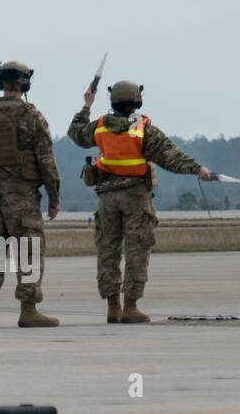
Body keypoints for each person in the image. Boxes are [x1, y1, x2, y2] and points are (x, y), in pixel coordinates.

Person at [67, 79, 210, 323]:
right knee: (137, 250)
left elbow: (75, 132)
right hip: (136, 198)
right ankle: (130, 307)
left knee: (107, 251)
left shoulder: (100, 126)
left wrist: (87, 105)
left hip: (107, 198)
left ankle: (113, 307)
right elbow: (170, 155)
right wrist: (197, 169)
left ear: (113, 99)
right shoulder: (141, 128)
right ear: (137, 100)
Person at [0, 60, 61, 328]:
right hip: (21, 195)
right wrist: (54, 197)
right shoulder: (31, 115)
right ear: (25, 84)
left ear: (0, 82)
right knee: (29, 250)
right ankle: (28, 310)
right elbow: (46, 160)